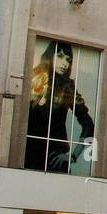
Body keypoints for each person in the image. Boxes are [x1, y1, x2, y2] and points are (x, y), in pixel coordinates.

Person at [25, 40, 95, 173]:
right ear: (50, 56)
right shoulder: (34, 80)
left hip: (55, 159)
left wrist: (73, 156)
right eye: (60, 56)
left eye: (68, 59)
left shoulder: (67, 87)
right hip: (29, 155)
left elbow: (89, 125)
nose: (65, 63)